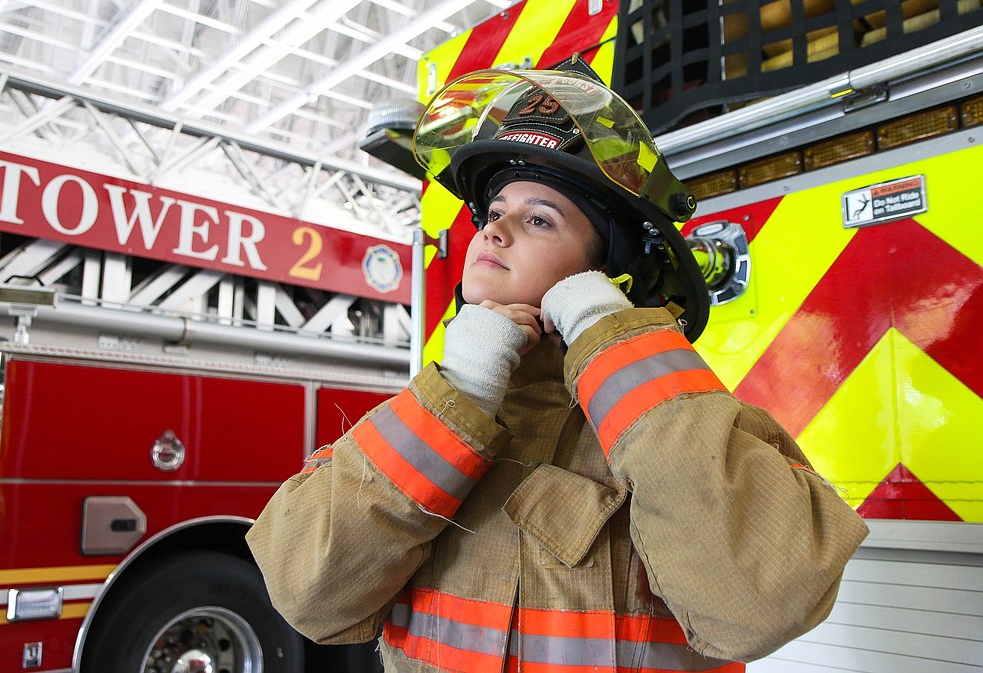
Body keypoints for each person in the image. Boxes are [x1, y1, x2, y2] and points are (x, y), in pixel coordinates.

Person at [247, 56, 868, 672]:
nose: (494, 232)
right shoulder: (425, 417)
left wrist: (605, 328)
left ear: (606, 269)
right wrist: (461, 387)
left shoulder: (681, 425)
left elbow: (757, 608)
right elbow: (308, 596)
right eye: (494, 213)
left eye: (538, 219)